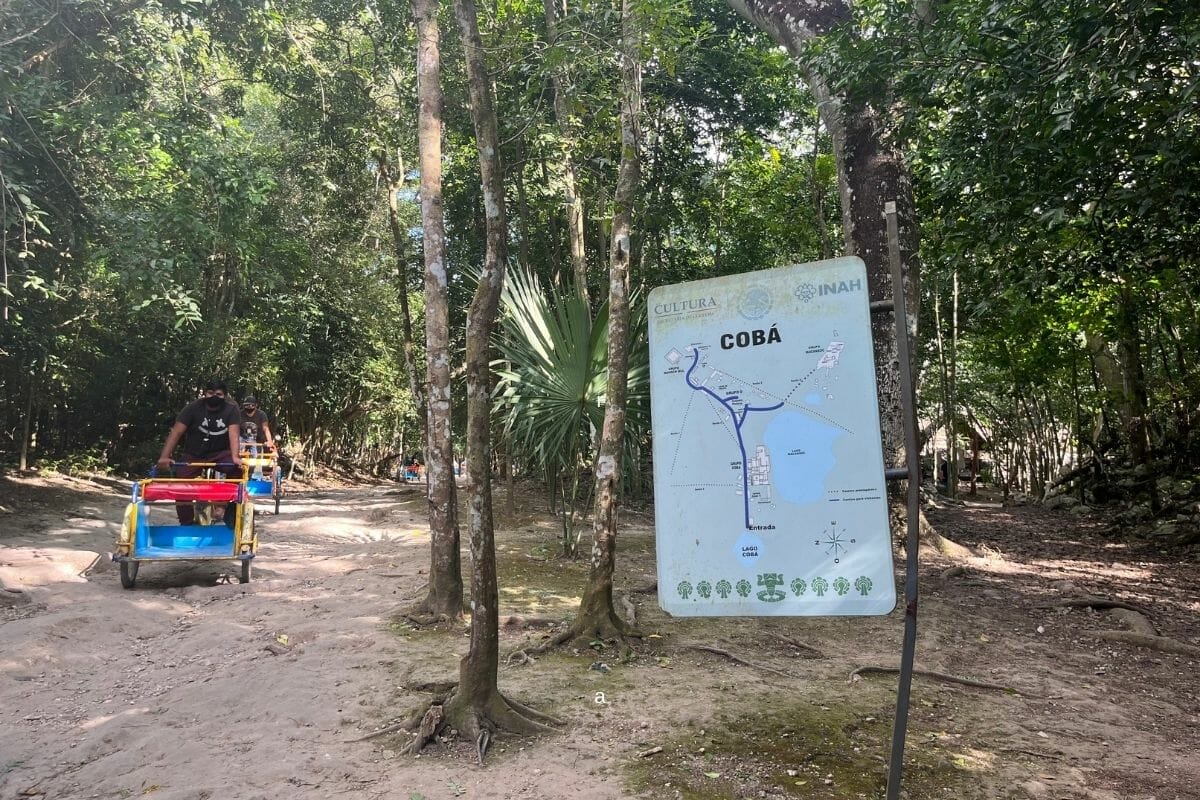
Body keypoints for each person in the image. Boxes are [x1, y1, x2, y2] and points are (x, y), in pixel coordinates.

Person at [156, 380, 244, 525]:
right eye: (210, 393)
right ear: (204, 394)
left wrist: (235, 457)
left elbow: (233, 434)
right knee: (181, 479)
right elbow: (177, 432)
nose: (214, 396)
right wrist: (164, 457)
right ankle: (186, 522)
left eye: (218, 394)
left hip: (220, 452)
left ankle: (224, 506)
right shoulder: (193, 408)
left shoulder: (231, 409)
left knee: (235, 469)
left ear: (225, 396)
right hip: (194, 453)